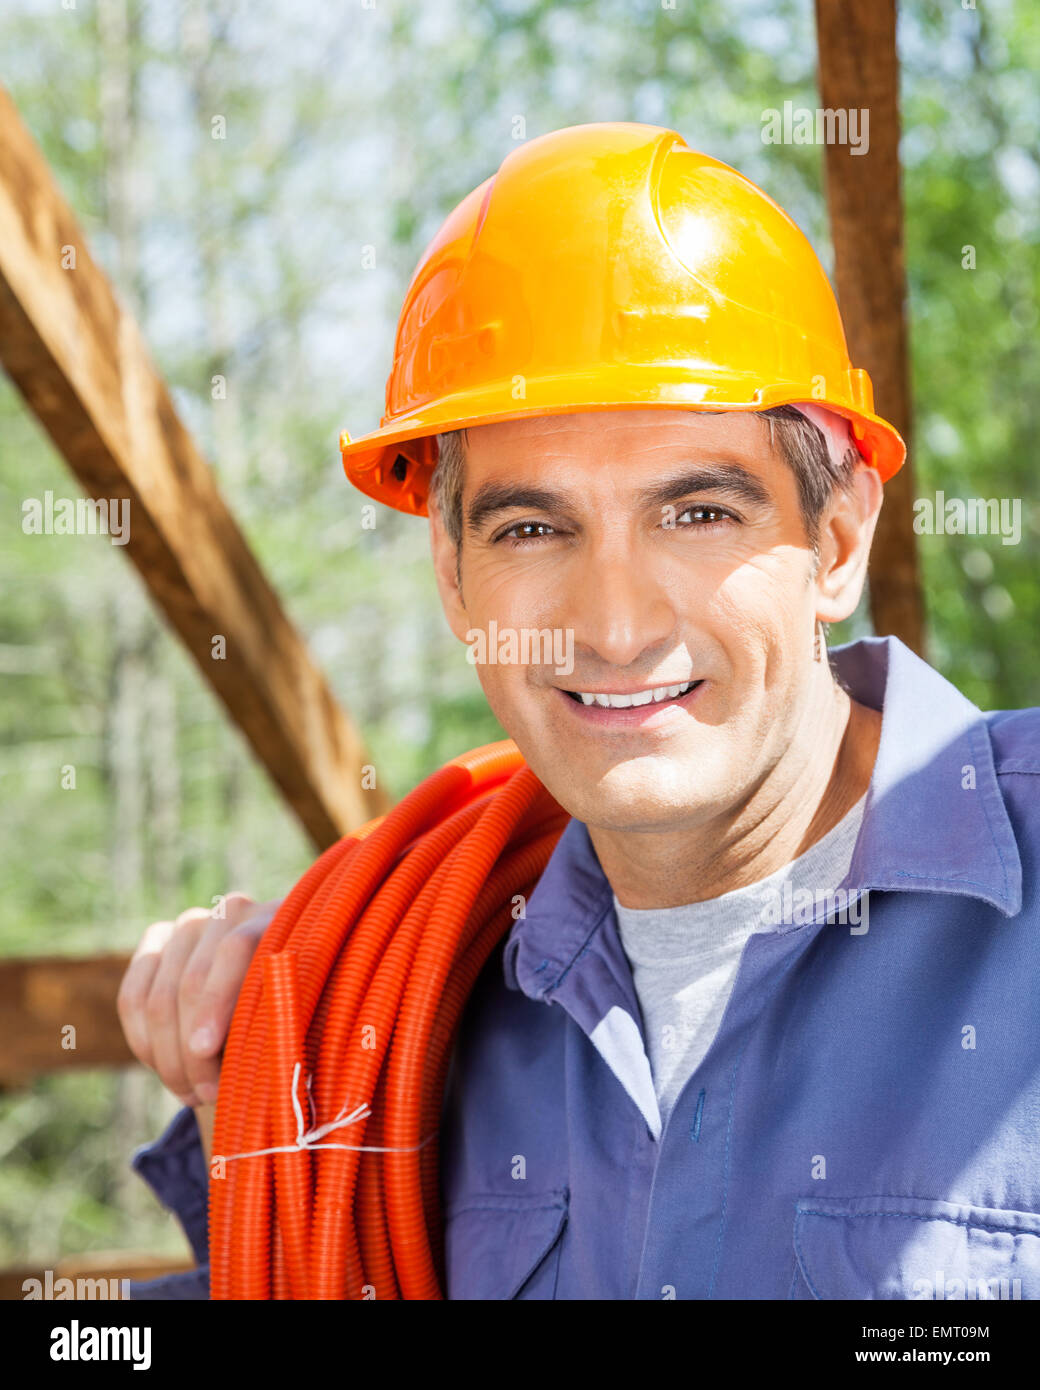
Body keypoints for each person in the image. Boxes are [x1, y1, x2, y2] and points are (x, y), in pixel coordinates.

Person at [118, 124, 1040, 1300]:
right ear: (453, 576)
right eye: (530, 528)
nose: (610, 625)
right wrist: (264, 1079)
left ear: (837, 538)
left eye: (696, 513)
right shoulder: (396, 1002)